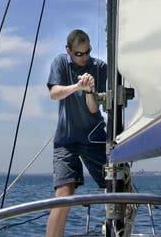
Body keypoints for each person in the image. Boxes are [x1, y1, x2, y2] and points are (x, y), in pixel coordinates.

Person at [45, 29, 107, 237]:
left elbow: (92, 109)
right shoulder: (60, 63)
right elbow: (54, 93)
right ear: (69, 51)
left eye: (87, 52)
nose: (84, 57)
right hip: (66, 140)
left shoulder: (99, 68)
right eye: (79, 54)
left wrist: (89, 90)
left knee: (116, 186)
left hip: (94, 138)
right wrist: (77, 86)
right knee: (64, 193)